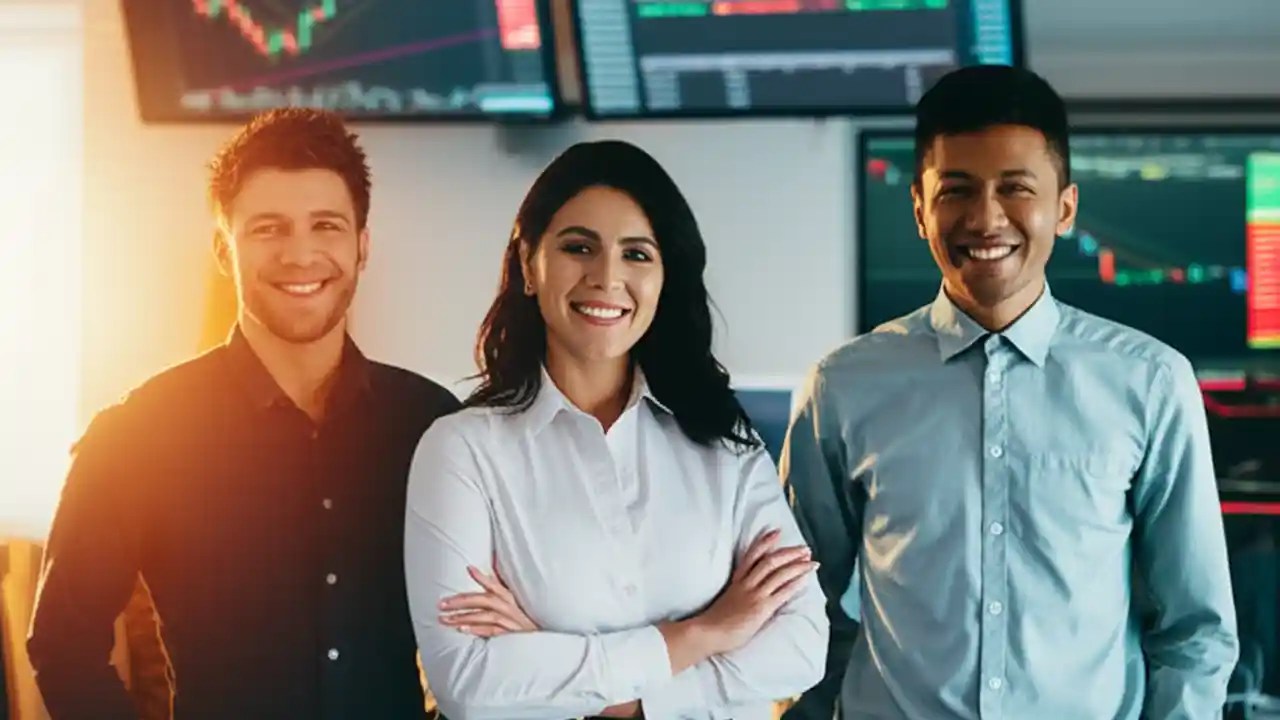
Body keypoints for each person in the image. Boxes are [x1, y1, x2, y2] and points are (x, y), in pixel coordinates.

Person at [783, 65, 1240, 719]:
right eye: (956, 190)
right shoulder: (841, 387)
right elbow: (800, 614)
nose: (986, 217)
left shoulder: (1151, 382)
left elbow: (1195, 631)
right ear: (919, 208)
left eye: (1016, 189)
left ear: (1065, 207)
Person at [27, 108, 460, 719]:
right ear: (223, 250)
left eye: (326, 225)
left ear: (362, 246)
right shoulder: (137, 433)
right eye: (268, 229)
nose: (300, 253)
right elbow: (62, 642)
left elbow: (493, 632)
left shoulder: (436, 425)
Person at [403, 140, 828, 720]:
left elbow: (803, 648)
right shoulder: (462, 452)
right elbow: (468, 682)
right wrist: (705, 633)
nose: (606, 277)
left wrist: (595, 690)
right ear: (529, 265)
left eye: (637, 254)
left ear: (664, 277)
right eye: (579, 247)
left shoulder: (724, 442)